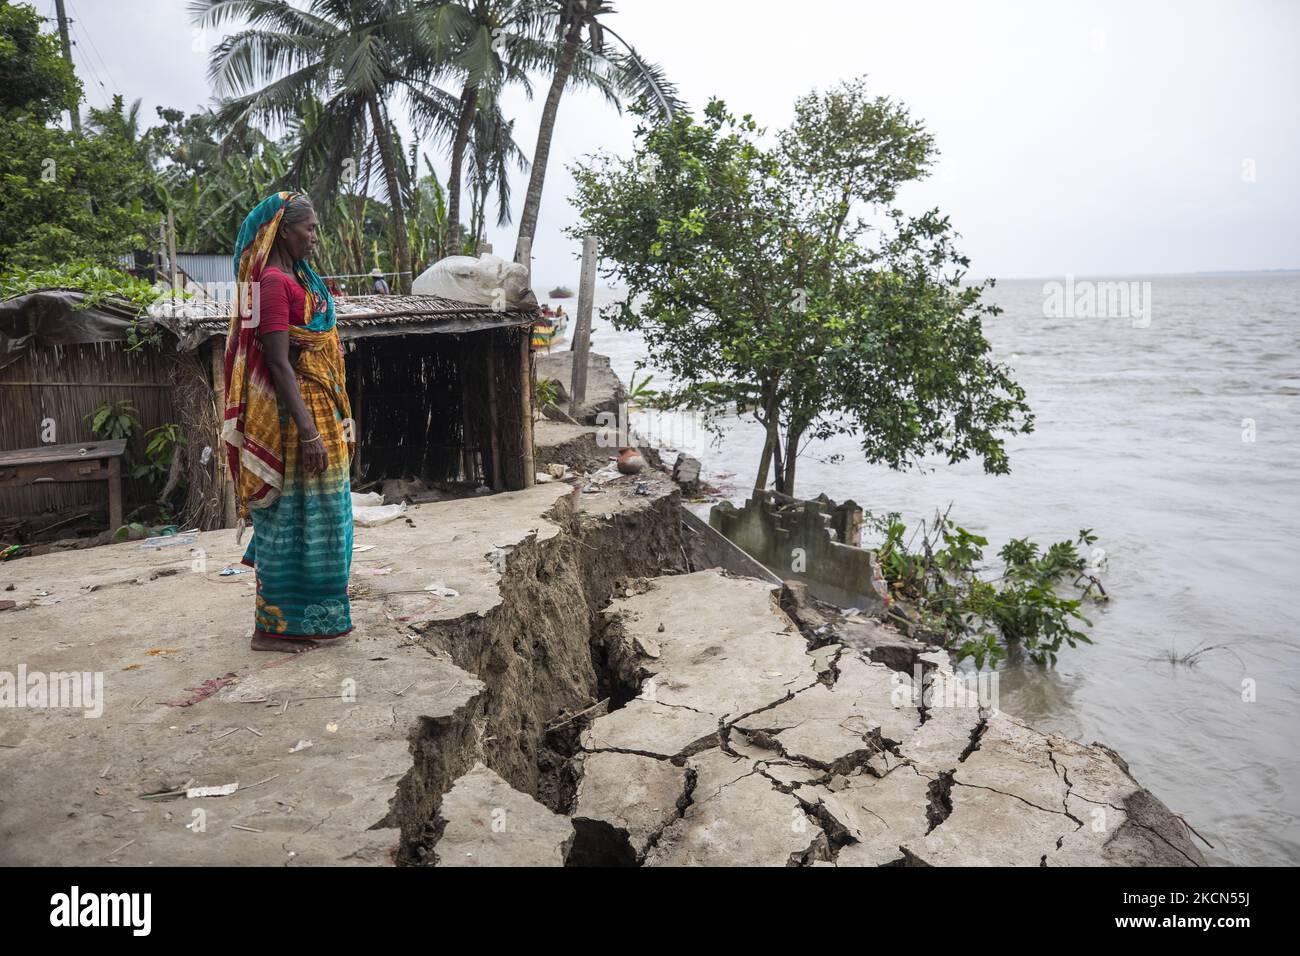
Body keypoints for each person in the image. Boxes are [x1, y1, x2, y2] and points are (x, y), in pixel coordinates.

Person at [223, 191, 355, 652]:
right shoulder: (273, 284)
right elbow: (278, 362)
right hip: (296, 418)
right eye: (309, 229)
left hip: (318, 409)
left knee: (324, 517)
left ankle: (306, 619)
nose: (315, 238)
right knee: (292, 518)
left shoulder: (300, 279)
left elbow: (308, 345)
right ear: (283, 229)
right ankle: (272, 628)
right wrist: (310, 433)